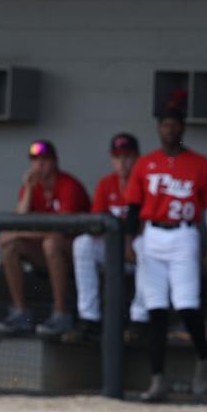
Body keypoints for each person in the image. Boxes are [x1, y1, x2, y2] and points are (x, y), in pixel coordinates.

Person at [126, 99, 207, 402]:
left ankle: (203, 359)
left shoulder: (199, 163)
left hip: (183, 234)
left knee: (186, 306)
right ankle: (158, 379)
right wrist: (132, 241)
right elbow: (132, 206)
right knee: (155, 310)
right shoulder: (145, 163)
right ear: (159, 129)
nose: (169, 130)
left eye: (174, 124)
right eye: (164, 125)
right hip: (152, 235)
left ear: (182, 127)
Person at [0, 139, 90, 337]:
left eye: (45, 159)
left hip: (79, 255)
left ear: (54, 161)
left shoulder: (69, 185)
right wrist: (29, 189)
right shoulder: (32, 186)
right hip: (45, 252)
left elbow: (59, 230)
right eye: (35, 160)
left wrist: (18, 232)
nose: (39, 164)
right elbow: (19, 221)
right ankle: (20, 311)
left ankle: (61, 313)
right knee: (10, 248)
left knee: (51, 243)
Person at [67, 132, 148, 343]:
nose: (122, 162)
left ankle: (139, 320)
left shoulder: (148, 183)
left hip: (137, 255)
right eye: (117, 157)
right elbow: (97, 224)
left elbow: (148, 226)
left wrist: (128, 242)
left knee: (147, 245)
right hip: (115, 250)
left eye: (127, 156)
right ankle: (89, 317)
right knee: (82, 243)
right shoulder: (106, 184)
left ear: (137, 158)